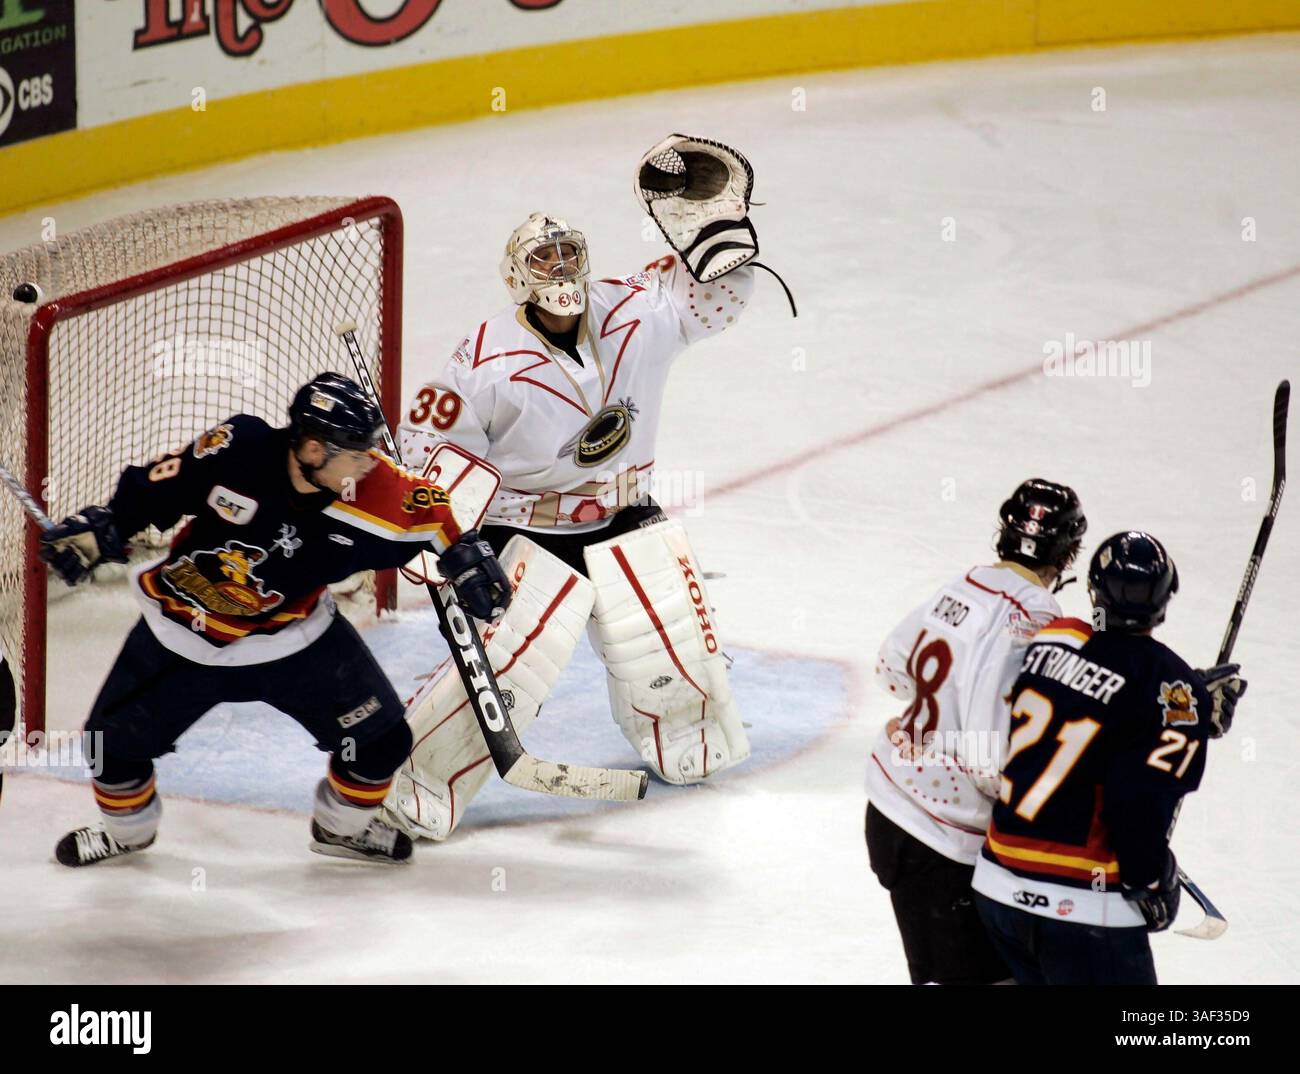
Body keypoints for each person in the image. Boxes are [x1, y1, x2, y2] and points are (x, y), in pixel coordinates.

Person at [384, 135, 770, 840]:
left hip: (624, 513)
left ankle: (679, 736)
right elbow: (426, 447)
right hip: (526, 527)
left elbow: (718, 297)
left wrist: (716, 230)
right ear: (516, 277)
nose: (560, 268)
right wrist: (447, 543)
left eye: (569, 255)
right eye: (542, 259)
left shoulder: (634, 310)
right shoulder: (484, 358)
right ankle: (421, 776)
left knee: (672, 643)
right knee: (512, 663)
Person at [40, 373, 509, 866]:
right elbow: (159, 489)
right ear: (311, 450)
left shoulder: (376, 497)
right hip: (182, 632)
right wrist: (106, 528)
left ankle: (340, 829)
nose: (370, 464)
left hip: (294, 641)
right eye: (355, 454)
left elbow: (436, 517)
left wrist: (469, 561)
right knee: (108, 746)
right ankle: (126, 833)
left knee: (383, 741)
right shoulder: (237, 450)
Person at [972, 531, 1246, 984]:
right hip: (1081, 910)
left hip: (997, 887)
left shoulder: (1053, 638)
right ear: (1165, 599)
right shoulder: (1171, 683)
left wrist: (1182, 703)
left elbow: (1089, 698)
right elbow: (1138, 798)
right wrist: (1150, 877)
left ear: (1093, 588)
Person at [866, 479, 1087, 984]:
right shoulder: (1035, 612)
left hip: (888, 809)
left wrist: (932, 720)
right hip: (942, 840)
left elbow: (890, 669)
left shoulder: (963, 584)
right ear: (1067, 551)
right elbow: (989, 758)